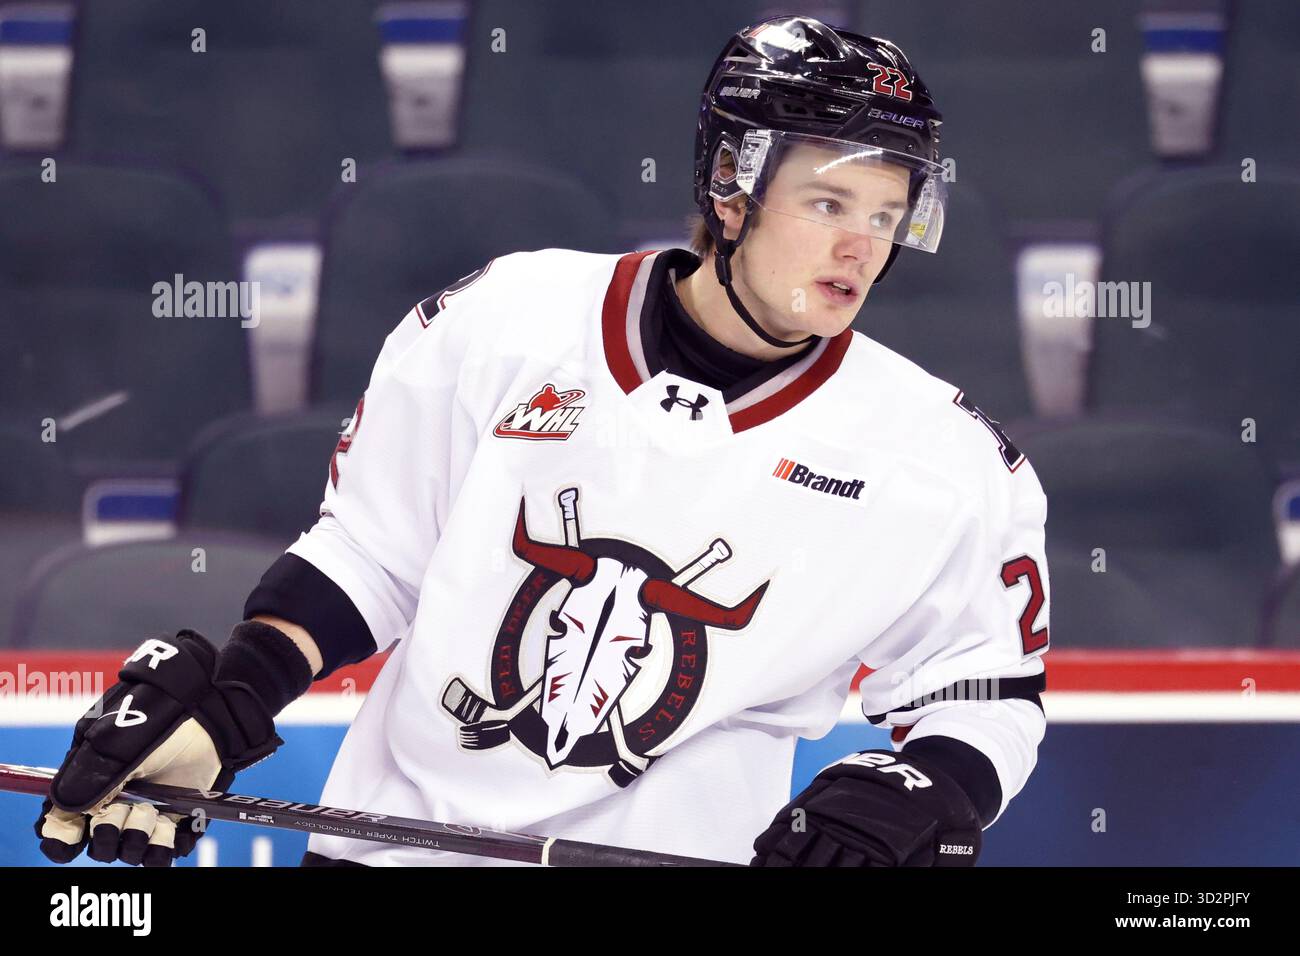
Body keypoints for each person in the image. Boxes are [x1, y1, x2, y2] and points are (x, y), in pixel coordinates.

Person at [35, 14, 1048, 868]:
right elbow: (373, 552)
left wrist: (905, 790)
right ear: (730, 190)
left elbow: (982, 692)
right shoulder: (508, 317)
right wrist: (232, 700)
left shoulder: (940, 458)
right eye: (828, 202)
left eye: (886, 211)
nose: (860, 246)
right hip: (393, 849)